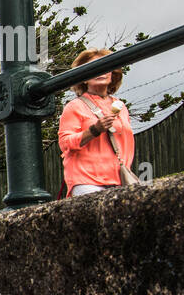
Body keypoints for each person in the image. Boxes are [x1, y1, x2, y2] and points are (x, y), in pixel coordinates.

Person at [58, 48, 135, 196]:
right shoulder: (74, 106)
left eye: (105, 68)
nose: (101, 72)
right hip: (87, 180)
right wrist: (94, 130)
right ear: (84, 78)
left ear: (113, 75)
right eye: (94, 69)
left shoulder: (122, 107)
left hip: (119, 179)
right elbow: (65, 143)